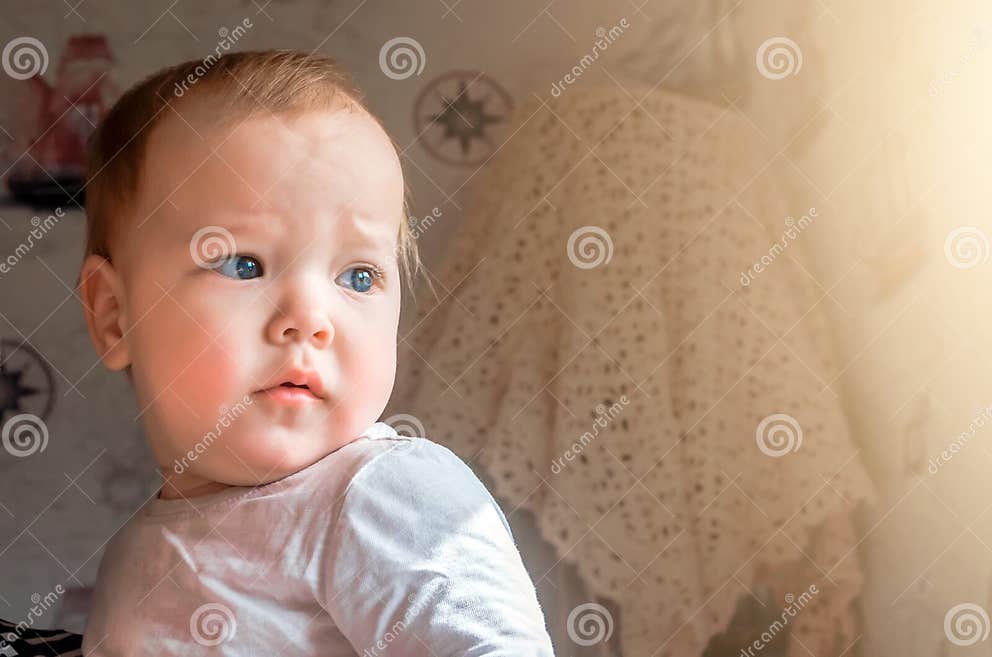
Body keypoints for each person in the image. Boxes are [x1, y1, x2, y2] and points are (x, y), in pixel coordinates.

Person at [75, 49, 555, 656]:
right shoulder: (138, 550)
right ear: (115, 317)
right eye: (244, 264)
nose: (309, 318)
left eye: (358, 276)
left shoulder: (382, 494)